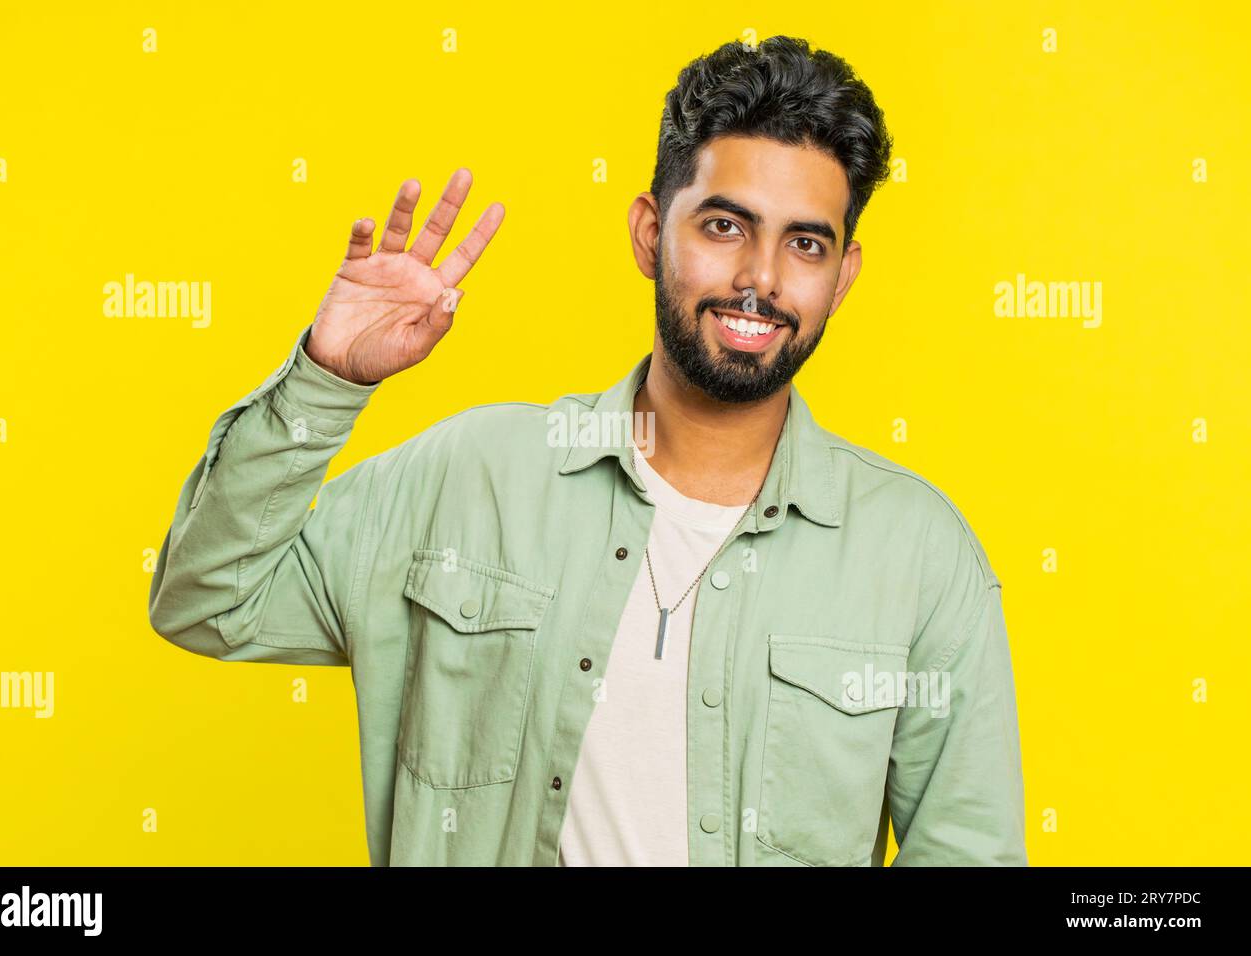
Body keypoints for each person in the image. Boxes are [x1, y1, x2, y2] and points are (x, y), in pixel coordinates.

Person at [148, 35, 1026, 866]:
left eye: (805, 243)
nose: (761, 277)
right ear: (650, 233)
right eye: (724, 226)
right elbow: (208, 601)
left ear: (844, 272)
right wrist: (326, 379)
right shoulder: (471, 477)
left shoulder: (919, 558)